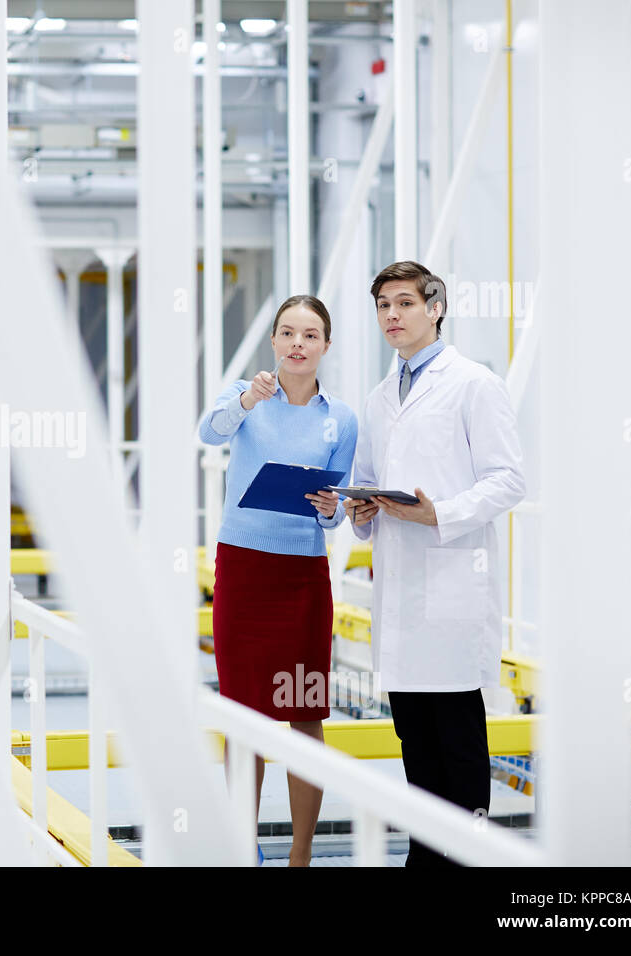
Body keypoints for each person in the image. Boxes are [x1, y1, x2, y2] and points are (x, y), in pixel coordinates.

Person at [344, 260, 526, 867]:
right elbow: (368, 482)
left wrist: (440, 514)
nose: (392, 316)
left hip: (452, 588)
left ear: (436, 308)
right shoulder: (376, 397)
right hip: (399, 593)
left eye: (405, 303)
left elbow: (508, 480)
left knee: (459, 743)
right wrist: (359, 509)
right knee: (414, 741)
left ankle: (463, 858)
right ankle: (426, 855)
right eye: (383, 307)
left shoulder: (473, 383)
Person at [198, 294, 357, 867]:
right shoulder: (243, 396)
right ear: (273, 341)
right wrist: (245, 400)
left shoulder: (341, 418)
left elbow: (337, 511)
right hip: (243, 570)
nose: (297, 343)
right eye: (288, 332)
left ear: (325, 347)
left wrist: (325, 506)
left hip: (302, 577)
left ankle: (301, 850)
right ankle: (242, 847)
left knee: (305, 711)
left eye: (310, 335)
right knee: (244, 716)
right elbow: (210, 434)